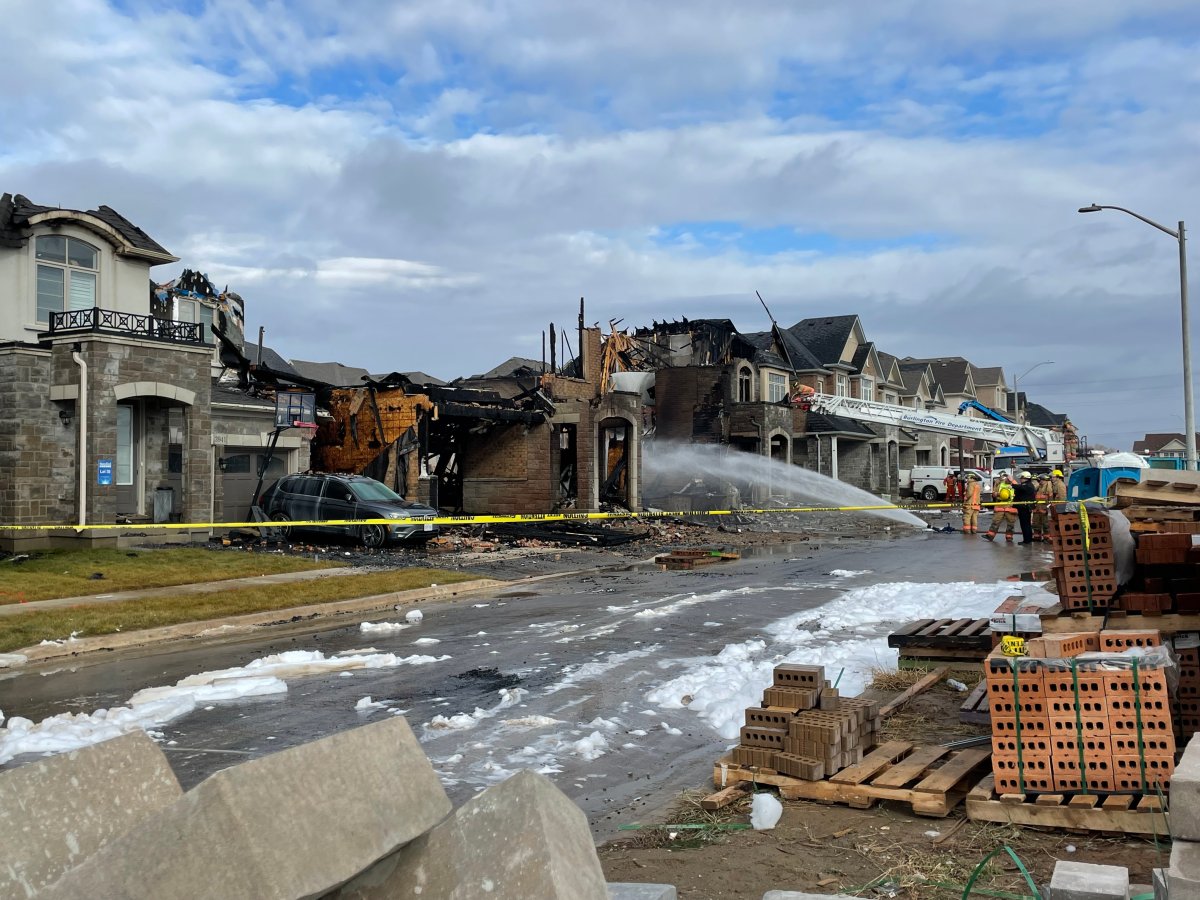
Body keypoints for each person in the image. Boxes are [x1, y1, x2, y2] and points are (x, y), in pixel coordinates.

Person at [984, 473, 1017, 542]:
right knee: (996, 521)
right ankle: (990, 535)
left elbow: (1018, 494)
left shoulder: (1015, 485)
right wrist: (997, 494)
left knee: (1011, 523)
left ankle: (1009, 537)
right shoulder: (1000, 484)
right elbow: (994, 493)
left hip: (1010, 505)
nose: (1008, 481)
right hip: (1000, 505)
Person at [1014, 471, 1037, 544]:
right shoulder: (1026, 485)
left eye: (1021, 478)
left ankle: (1027, 540)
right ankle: (1027, 539)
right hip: (1023, 507)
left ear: (1025, 478)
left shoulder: (1028, 485)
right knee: (1024, 524)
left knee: (1025, 524)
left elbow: (1021, 488)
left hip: (1025, 508)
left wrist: (1012, 484)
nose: (1020, 479)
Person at [1032, 474, 1053, 541]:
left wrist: (1047, 509)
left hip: (1044, 510)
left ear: (1044, 480)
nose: (1039, 481)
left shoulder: (1049, 488)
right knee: (1036, 524)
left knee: (1046, 525)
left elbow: (1051, 501)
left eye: (1040, 480)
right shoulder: (1038, 487)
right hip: (1037, 509)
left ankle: (1046, 538)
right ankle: (1037, 537)